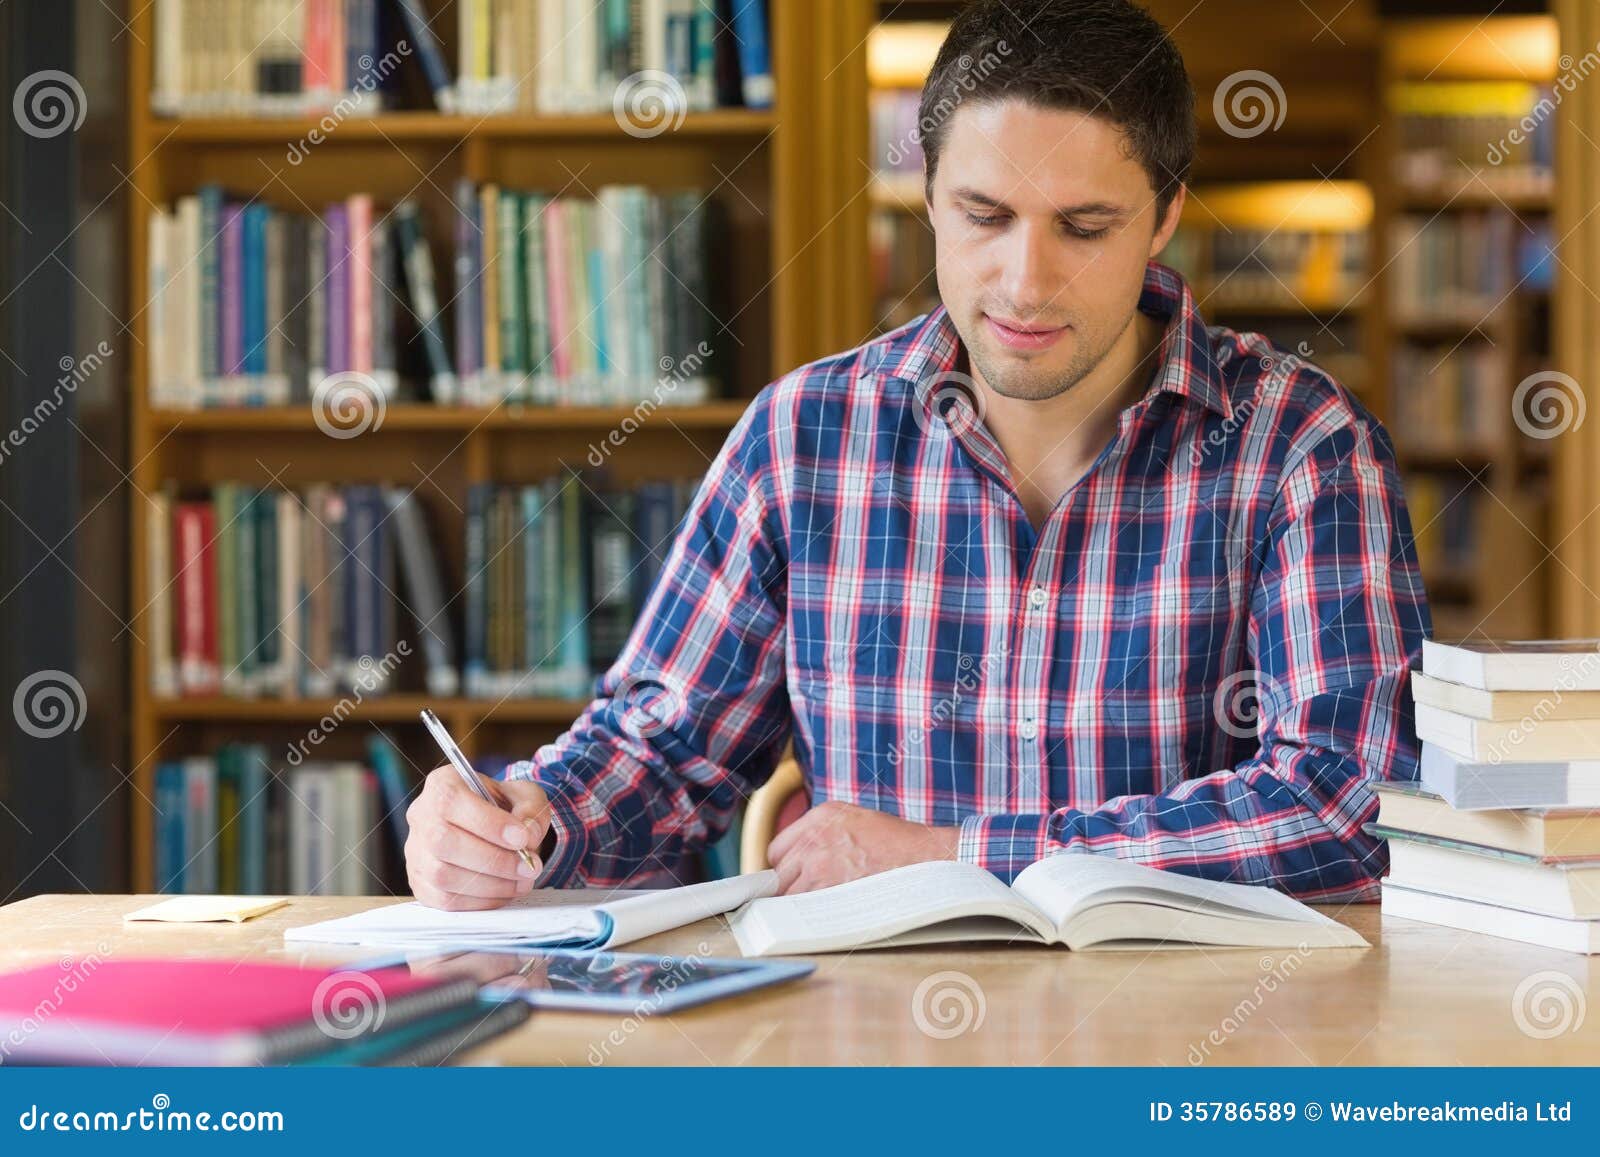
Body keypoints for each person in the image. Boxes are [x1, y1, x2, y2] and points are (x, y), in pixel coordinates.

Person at [405, 0, 1430, 911]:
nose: (1024, 282)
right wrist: (528, 824)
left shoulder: (1301, 446)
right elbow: (661, 754)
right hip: (876, 1039)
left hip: (1192, 1046)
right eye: (984, 216)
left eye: (1084, 227)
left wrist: (959, 856)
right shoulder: (803, 439)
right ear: (929, 194)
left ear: (1162, 216)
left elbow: (1349, 807)